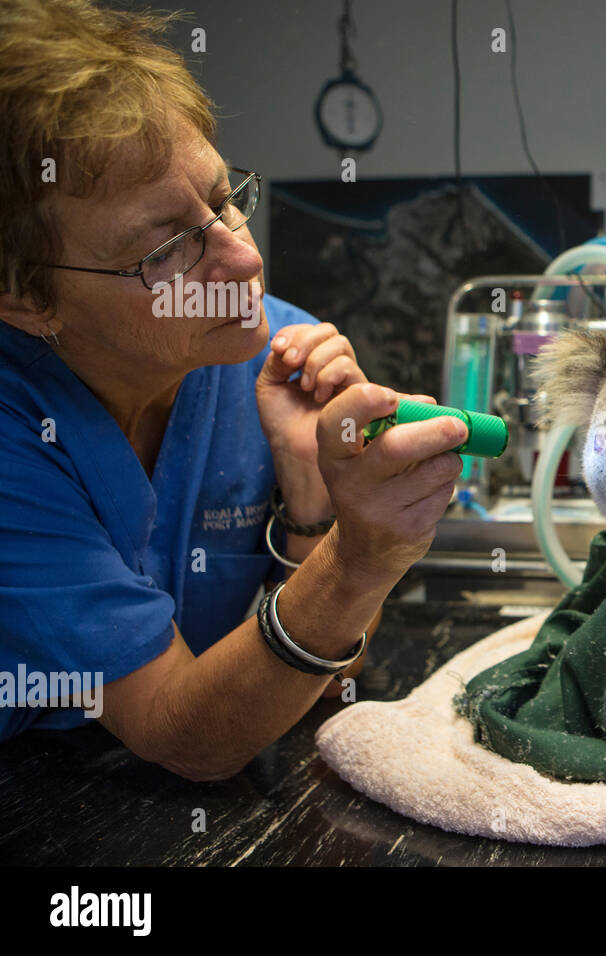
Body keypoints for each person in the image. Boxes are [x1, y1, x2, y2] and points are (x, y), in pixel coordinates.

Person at [0, 0, 466, 779]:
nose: (244, 262)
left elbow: (325, 675)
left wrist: (316, 504)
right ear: (25, 300)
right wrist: (361, 555)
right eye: (168, 250)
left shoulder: (275, 355)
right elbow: (186, 735)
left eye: (223, 201)